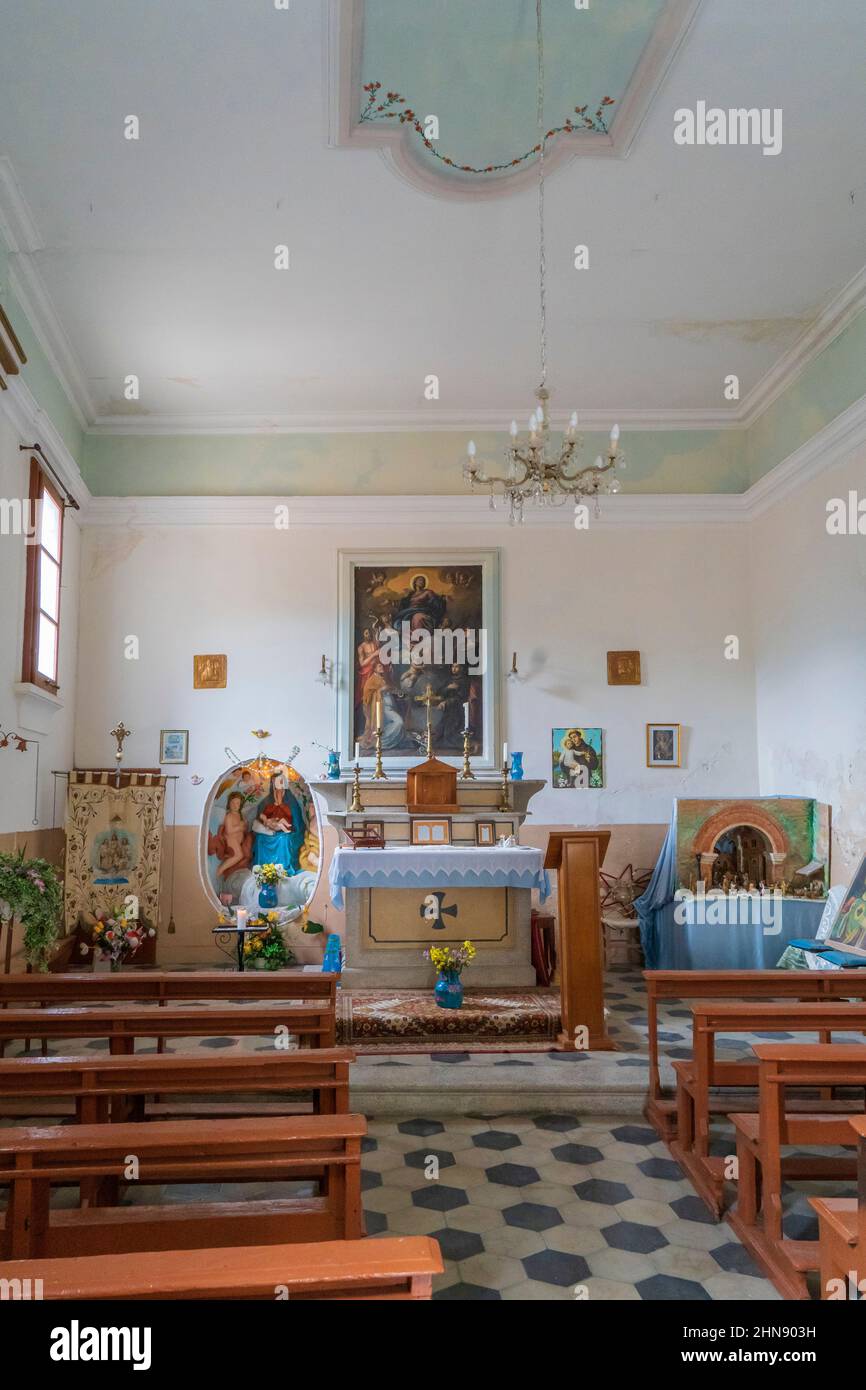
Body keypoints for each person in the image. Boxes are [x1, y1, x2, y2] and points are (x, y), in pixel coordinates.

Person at [252, 771, 306, 873]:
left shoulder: (291, 802)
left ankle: (283, 868)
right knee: (260, 838)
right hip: (270, 829)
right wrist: (267, 817)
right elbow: (263, 815)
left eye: (280, 789)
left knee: (283, 839)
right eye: (275, 789)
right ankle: (261, 868)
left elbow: (295, 820)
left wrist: (281, 805)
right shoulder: (268, 803)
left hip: (287, 832)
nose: (278, 792)